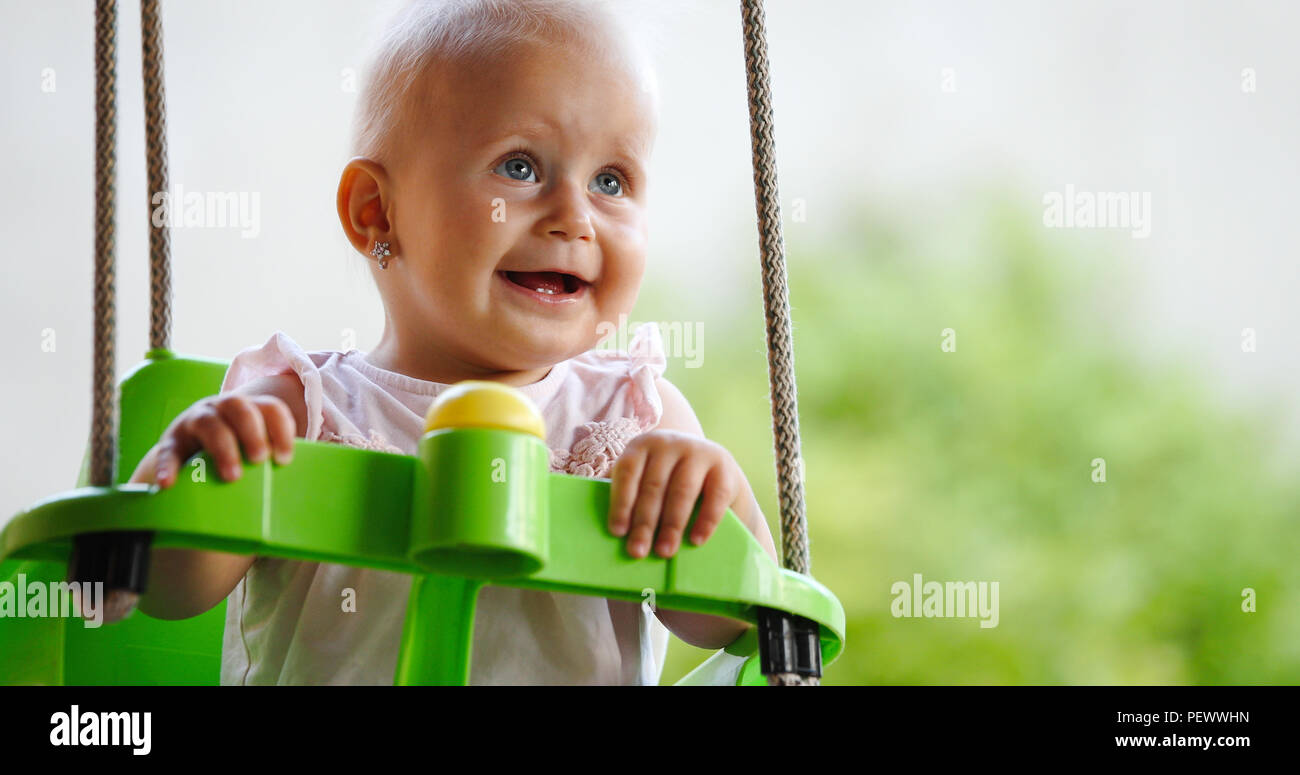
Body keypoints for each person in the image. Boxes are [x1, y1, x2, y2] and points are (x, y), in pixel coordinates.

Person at [128, 0, 779, 685]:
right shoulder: (301, 413)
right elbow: (164, 589)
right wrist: (197, 464)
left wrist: (715, 497)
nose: (575, 218)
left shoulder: (634, 419)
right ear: (376, 211)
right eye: (521, 167)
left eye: (610, 181)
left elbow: (741, 620)